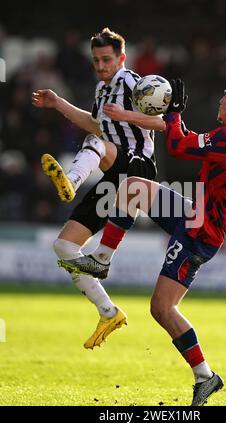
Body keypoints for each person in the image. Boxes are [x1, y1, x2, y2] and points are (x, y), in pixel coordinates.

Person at [58, 74, 226, 405]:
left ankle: (205, 376)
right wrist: (168, 118)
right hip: (195, 215)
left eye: (225, 94)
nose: (220, 99)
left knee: (162, 308)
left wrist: (172, 114)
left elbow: (178, 144)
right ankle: (101, 260)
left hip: (200, 233)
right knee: (132, 187)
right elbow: (186, 139)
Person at [32, 28, 165, 350]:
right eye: (96, 61)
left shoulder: (134, 83)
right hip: (112, 171)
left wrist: (125, 114)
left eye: (107, 59)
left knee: (96, 144)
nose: (102, 66)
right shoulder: (102, 90)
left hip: (138, 168)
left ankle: (72, 181)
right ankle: (108, 312)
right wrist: (58, 103)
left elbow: (162, 122)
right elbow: (95, 124)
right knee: (64, 247)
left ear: (122, 58)